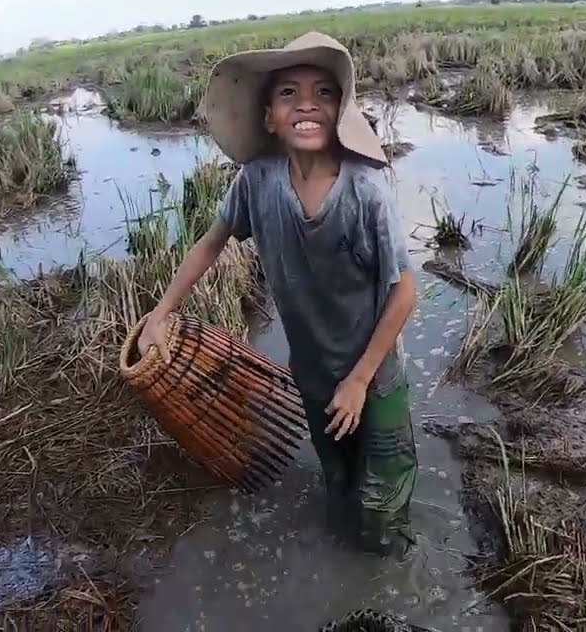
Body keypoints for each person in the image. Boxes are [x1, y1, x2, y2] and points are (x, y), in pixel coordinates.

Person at [136, 31, 418, 557]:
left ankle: (389, 576)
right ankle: (345, 566)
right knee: (337, 485)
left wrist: (358, 380)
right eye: (289, 92)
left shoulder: (365, 191)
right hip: (312, 373)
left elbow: (404, 293)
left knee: (383, 506)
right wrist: (161, 312)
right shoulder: (257, 181)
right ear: (268, 116)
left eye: (324, 93)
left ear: (340, 113)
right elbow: (210, 243)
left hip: (373, 377)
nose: (307, 103)